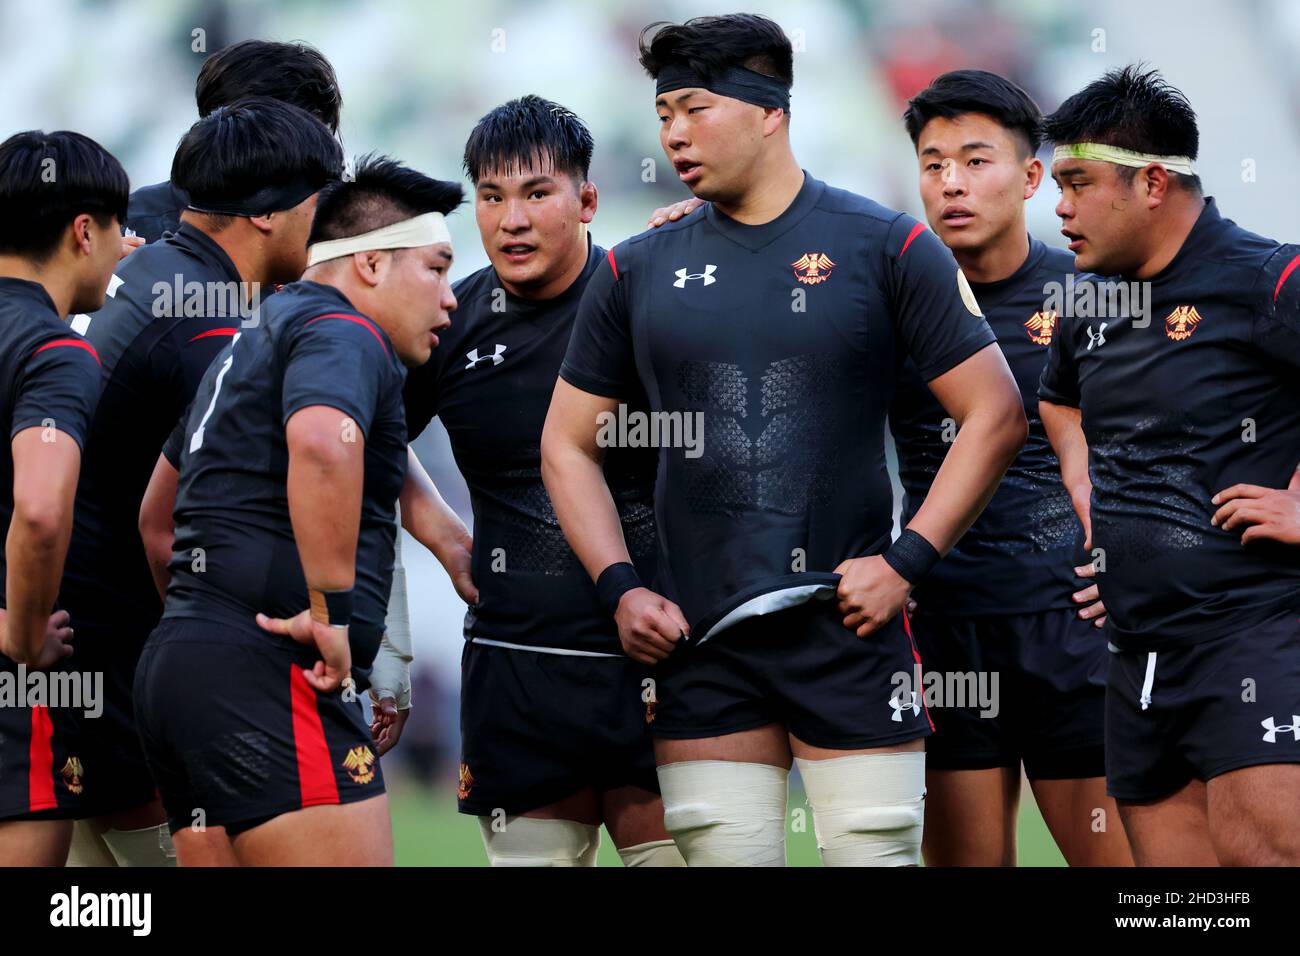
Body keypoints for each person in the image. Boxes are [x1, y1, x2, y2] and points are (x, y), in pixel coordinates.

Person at [543, 14, 1027, 866]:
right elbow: (567, 443)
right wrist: (620, 587)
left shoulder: (885, 245)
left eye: (694, 108)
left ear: (770, 112)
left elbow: (995, 413)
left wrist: (906, 561)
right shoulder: (637, 264)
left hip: (848, 630)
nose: (674, 133)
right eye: (663, 115)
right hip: (700, 640)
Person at [133, 155, 461, 865]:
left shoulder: (254, 337)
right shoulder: (345, 331)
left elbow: (156, 520)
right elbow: (322, 443)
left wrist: (209, 628)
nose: (450, 297)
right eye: (436, 269)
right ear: (371, 265)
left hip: (181, 667)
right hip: (274, 675)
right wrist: (330, 612)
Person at [60, 97, 343, 867]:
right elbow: (171, 522)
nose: (333, 222)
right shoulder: (208, 326)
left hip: (79, 645)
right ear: (267, 214)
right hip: (116, 649)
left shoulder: (157, 263)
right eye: (323, 199)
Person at [402, 95, 683, 866]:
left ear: (587, 199)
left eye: (535, 193)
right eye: (491, 197)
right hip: (516, 665)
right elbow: (354, 432)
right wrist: (443, 535)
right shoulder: (449, 323)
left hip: (659, 662)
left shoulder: (648, 300)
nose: (511, 220)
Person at [1038, 65, 1300, 865]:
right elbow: (1061, 404)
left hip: (1256, 637)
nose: (1060, 207)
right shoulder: (1090, 304)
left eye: (1078, 183)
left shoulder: (1270, 277)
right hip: (1135, 657)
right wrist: (1095, 503)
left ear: (1152, 182)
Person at [890, 69, 1131, 866]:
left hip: (1074, 625)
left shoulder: (1096, 297)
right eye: (933, 164)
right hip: (941, 626)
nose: (951, 183)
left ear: (1031, 177)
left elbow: (1171, 436)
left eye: (975, 160)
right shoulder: (886, 300)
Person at [0, 129, 128, 865]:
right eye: (116, 232)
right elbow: (41, 511)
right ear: (85, 231)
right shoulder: (54, 350)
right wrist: (19, 635)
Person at [126, 39, 342, 243]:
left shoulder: (344, 227)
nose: (319, 161)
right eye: (305, 145)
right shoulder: (131, 231)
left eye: (322, 142)